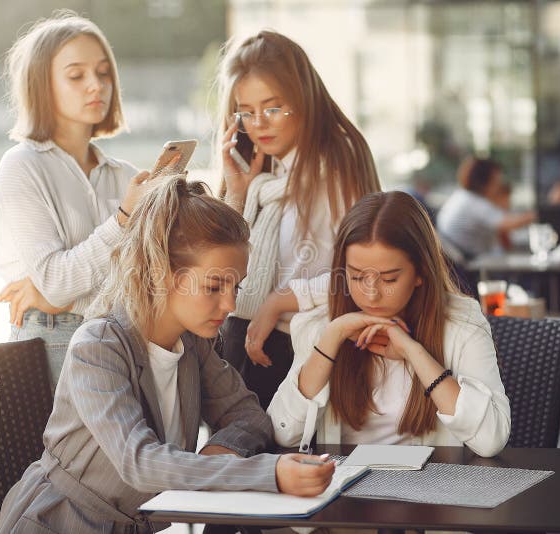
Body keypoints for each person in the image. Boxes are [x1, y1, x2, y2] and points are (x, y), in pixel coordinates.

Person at [0, 177, 335, 534]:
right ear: (161, 272)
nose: (231, 304)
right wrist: (268, 474)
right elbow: (140, 463)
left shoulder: (193, 345)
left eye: (236, 286)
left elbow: (250, 417)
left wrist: (216, 456)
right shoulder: (97, 347)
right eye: (214, 286)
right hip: (59, 524)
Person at [0, 12, 164, 385]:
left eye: (103, 73)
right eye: (76, 75)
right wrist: (122, 219)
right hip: (51, 347)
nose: (96, 86)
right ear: (42, 84)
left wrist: (69, 299)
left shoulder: (125, 175)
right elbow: (54, 281)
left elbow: (148, 283)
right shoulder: (21, 167)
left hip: (124, 343)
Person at [268, 191, 510, 457]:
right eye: (358, 277)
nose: (371, 294)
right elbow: (282, 431)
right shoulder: (321, 325)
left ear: (421, 273)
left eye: (389, 279)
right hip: (345, 491)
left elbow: (491, 441)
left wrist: (414, 352)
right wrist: (331, 338)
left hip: (430, 491)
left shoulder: (462, 325)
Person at [216, 30, 381, 410]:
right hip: (256, 347)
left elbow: (363, 274)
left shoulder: (335, 163)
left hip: (309, 351)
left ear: (302, 98)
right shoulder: (270, 175)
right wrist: (239, 192)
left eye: (273, 107)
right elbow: (226, 267)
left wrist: (277, 301)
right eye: (246, 112)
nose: (258, 124)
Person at [436, 156, 536, 258]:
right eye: (496, 180)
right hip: (467, 266)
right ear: (484, 181)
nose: (500, 184)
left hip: (460, 261)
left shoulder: (462, 197)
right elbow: (508, 224)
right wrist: (539, 214)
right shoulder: (474, 202)